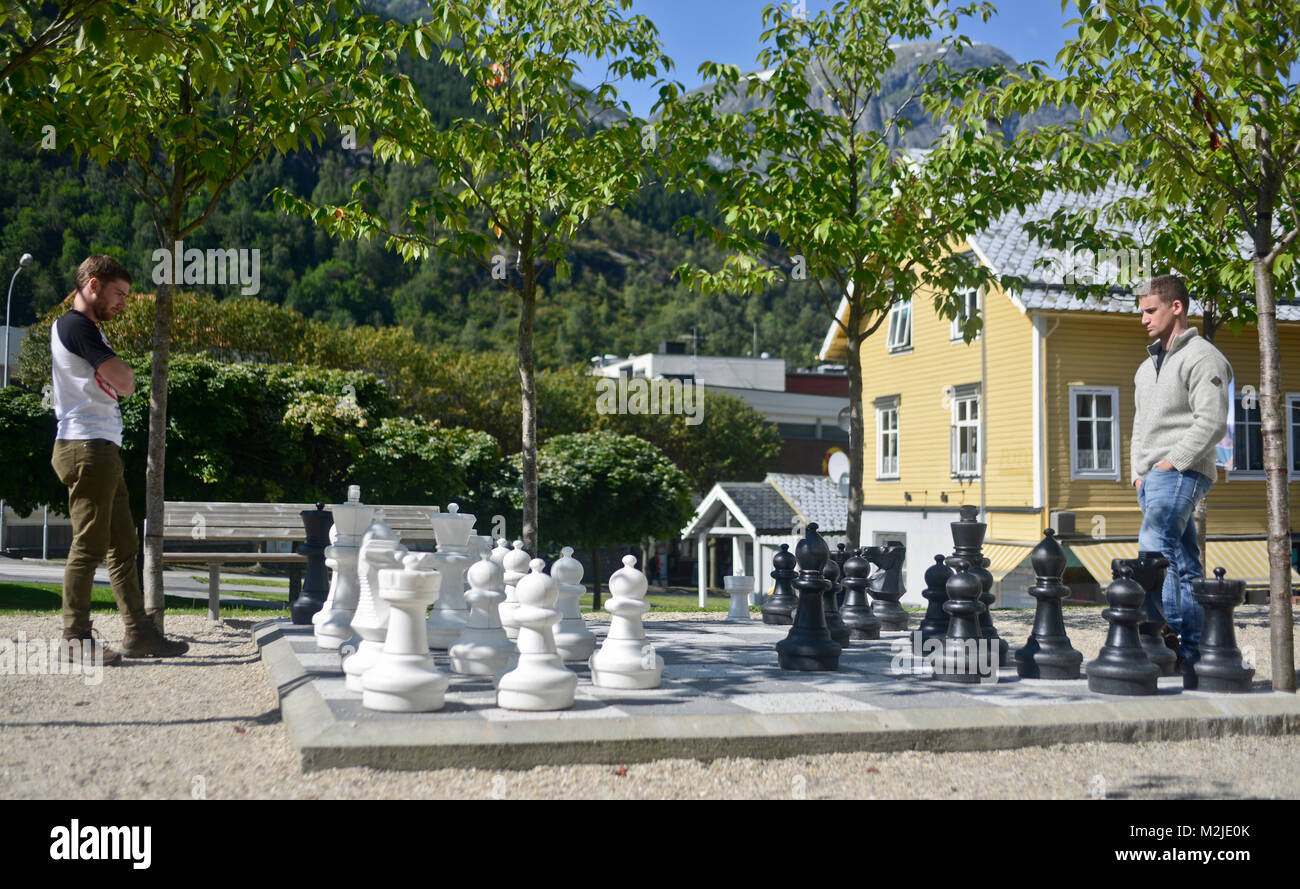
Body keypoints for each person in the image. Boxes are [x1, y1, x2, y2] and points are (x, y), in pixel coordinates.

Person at [51, 255, 188, 665]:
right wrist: (123, 375)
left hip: (101, 447)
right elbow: (125, 381)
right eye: (119, 294)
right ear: (93, 285)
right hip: (87, 446)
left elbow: (118, 380)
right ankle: (74, 638)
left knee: (123, 544)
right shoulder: (76, 326)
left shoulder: (87, 329)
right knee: (89, 545)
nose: (124, 303)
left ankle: (138, 633)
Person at [1130, 274, 1232, 667]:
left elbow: (1213, 422)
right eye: (1141, 312)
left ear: (1176, 307)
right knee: (1184, 564)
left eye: (1150, 310)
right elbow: (1139, 425)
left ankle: (1161, 640)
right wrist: (1139, 472)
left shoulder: (1204, 357)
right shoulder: (1145, 368)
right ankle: (1194, 653)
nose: (1143, 319)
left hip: (1182, 471)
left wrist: (1172, 462)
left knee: (1154, 550)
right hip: (1152, 477)